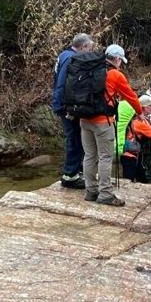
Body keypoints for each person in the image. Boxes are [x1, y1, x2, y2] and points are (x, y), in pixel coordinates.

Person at [76, 44, 143, 206]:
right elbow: (131, 96)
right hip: (103, 121)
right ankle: (105, 193)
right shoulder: (115, 75)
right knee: (105, 157)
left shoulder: (89, 69)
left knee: (89, 155)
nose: (121, 64)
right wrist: (140, 112)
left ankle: (91, 191)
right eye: (121, 61)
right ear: (117, 59)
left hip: (84, 119)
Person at [51, 33, 95, 189]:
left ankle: (76, 170)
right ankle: (70, 175)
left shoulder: (64, 54)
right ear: (83, 46)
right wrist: (62, 106)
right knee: (75, 138)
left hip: (63, 103)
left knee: (76, 137)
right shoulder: (71, 59)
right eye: (89, 48)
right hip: (66, 106)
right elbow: (62, 83)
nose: (90, 51)